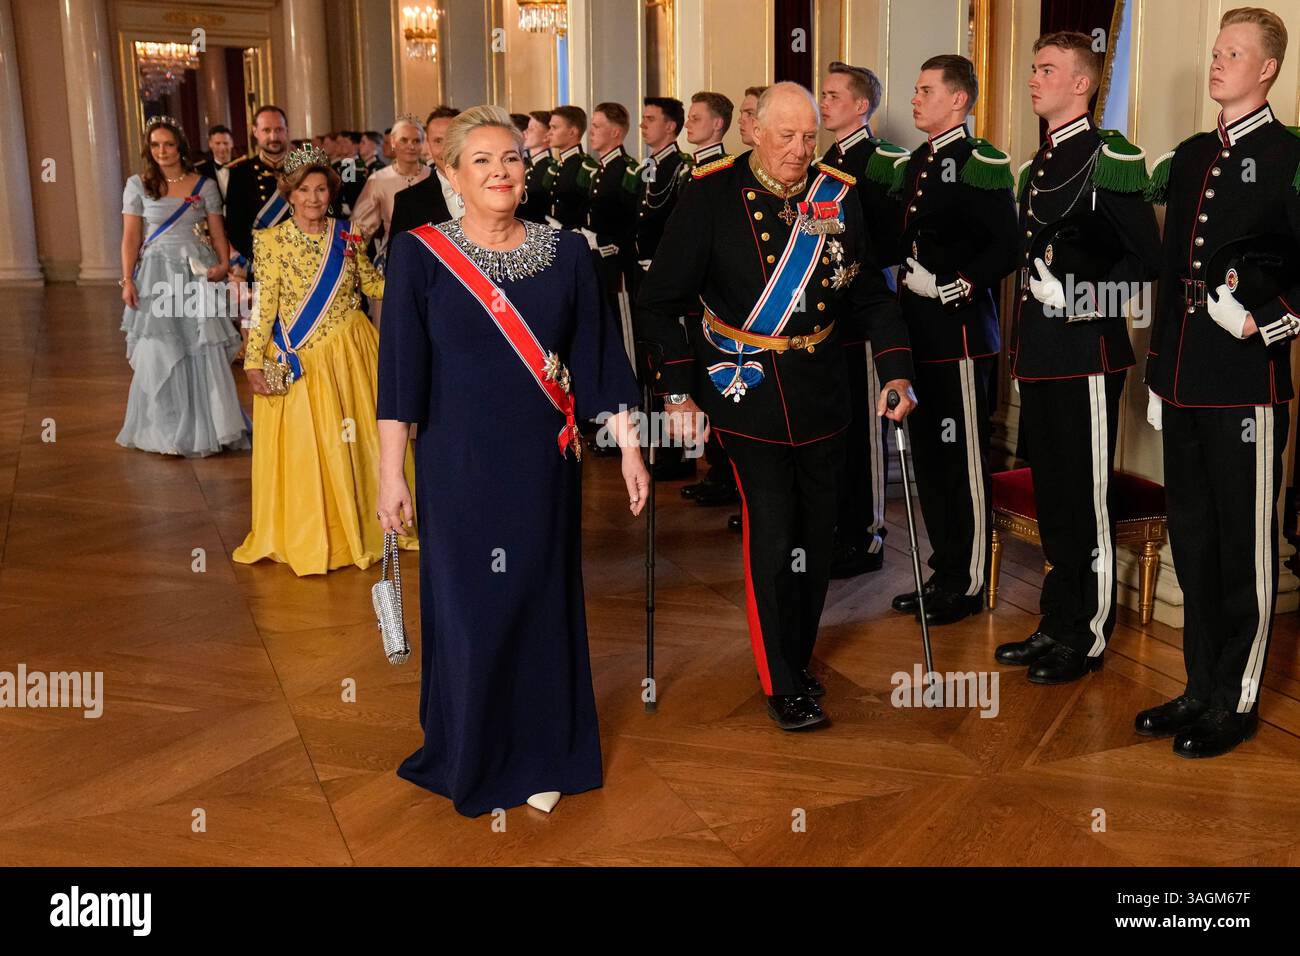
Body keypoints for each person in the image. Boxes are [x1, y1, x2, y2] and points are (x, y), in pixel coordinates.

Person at [376, 106, 648, 817]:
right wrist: (388, 474)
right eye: (483, 161)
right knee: (471, 611)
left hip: (541, 466)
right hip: (456, 466)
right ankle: (473, 749)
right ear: (453, 176)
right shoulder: (420, 252)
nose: (501, 172)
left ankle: (543, 754)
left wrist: (630, 448)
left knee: (538, 602)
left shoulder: (567, 253)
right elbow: (400, 377)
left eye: (512, 160)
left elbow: (600, 358)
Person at [635, 83, 915, 731]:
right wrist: (677, 390)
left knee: (816, 536)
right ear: (753, 130)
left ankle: (797, 653)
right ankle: (781, 679)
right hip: (745, 390)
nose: (798, 151)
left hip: (824, 389)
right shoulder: (710, 193)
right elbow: (659, 300)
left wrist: (895, 369)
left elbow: (869, 293)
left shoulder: (835, 193)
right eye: (785, 137)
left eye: (809, 137)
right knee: (774, 527)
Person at [1140, 6, 1300, 758]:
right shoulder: (1194, 152)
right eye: (1215, 50)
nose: (1217, 62)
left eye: (1233, 53)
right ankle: (1200, 687)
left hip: (1245, 387)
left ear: (1266, 69)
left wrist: (1261, 323)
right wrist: (1154, 374)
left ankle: (1236, 700)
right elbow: (1173, 275)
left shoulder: (1289, 156)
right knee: (1195, 541)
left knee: (1244, 549)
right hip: (1182, 381)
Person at [994, 31, 1161, 683]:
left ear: (1082, 84)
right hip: (1040, 353)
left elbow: (1148, 266)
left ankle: (1086, 634)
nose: (1034, 79)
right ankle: (1056, 623)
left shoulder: (1109, 159)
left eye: (1047, 70)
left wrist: (1078, 295)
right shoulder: (1038, 166)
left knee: (1086, 501)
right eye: (1032, 67)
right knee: (1057, 499)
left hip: (1087, 354)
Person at [233, 144, 416, 575]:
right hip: (299, 355)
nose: (314, 198)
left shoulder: (349, 233)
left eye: (321, 190)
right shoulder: (271, 240)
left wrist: (418, 289)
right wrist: (253, 360)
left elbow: (371, 283)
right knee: (307, 449)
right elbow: (266, 305)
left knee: (358, 443)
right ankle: (316, 533)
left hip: (350, 351)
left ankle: (369, 524)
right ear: (290, 194)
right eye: (305, 190)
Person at [888, 55, 1018, 624]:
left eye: (925, 90)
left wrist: (951, 286)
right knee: (931, 461)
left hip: (961, 334)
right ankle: (944, 571)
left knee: (962, 460)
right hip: (916, 337)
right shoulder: (920, 160)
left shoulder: (980, 162)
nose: (914, 99)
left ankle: (966, 583)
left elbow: (1007, 247)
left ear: (958, 100)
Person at [818, 60, 909, 577]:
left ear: (861, 105)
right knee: (839, 428)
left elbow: (891, 237)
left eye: (834, 96)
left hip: (867, 307)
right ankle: (841, 527)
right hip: (831, 314)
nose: (824, 102)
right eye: (823, 95)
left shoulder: (881, 161)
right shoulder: (825, 159)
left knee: (866, 432)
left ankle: (869, 535)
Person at [117, 116, 249, 457]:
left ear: (181, 148)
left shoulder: (202, 185)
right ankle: (166, 427)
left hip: (197, 272)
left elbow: (218, 231)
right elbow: (131, 237)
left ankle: (213, 425)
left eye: (169, 144)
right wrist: (128, 280)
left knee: (200, 344)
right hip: (156, 275)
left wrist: (223, 264)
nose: (162, 151)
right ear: (149, 149)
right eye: (156, 145)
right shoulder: (137, 185)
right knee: (162, 347)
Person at [351, 115, 431, 272]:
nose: (411, 146)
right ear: (393, 142)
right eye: (404, 140)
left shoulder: (433, 176)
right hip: (394, 256)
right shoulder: (379, 179)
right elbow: (361, 227)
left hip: (432, 254)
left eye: (416, 141)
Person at [389, 106, 460, 237]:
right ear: (428, 144)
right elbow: (399, 256)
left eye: (452, 140)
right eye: (438, 141)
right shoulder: (407, 201)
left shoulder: (492, 191)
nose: (446, 149)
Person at [545, 105, 597, 229]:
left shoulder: (585, 166)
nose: (549, 133)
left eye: (554, 127)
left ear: (572, 132)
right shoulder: (558, 165)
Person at [519, 109, 554, 223]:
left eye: (532, 129)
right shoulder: (529, 165)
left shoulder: (549, 168)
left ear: (546, 136)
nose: (526, 132)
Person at [685, 90, 733, 165]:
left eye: (696, 119)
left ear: (717, 124)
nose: (686, 125)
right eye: (689, 118)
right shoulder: (690, 166)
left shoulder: (726, 168)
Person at [194, 124, 235, 201]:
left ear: (232, 143)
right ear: (210, 144)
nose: (222, 147)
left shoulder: (243, 167)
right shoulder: (201, 170)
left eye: (225, 143)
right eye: (218, 143)